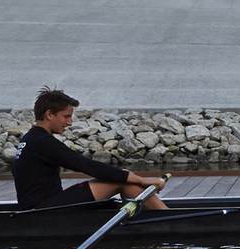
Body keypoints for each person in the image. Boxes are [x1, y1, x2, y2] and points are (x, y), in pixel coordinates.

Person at [13, 88, 168, 212]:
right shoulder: (42, 142)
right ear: (49, 114)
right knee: (124, 182)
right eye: (66, 116)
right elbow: (86, 166)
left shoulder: (30, 138)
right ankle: (169, 217)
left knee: (122, 180)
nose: (69, 122)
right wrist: (142, 180)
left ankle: (162, 214)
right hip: (40, 211)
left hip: (41, 205)